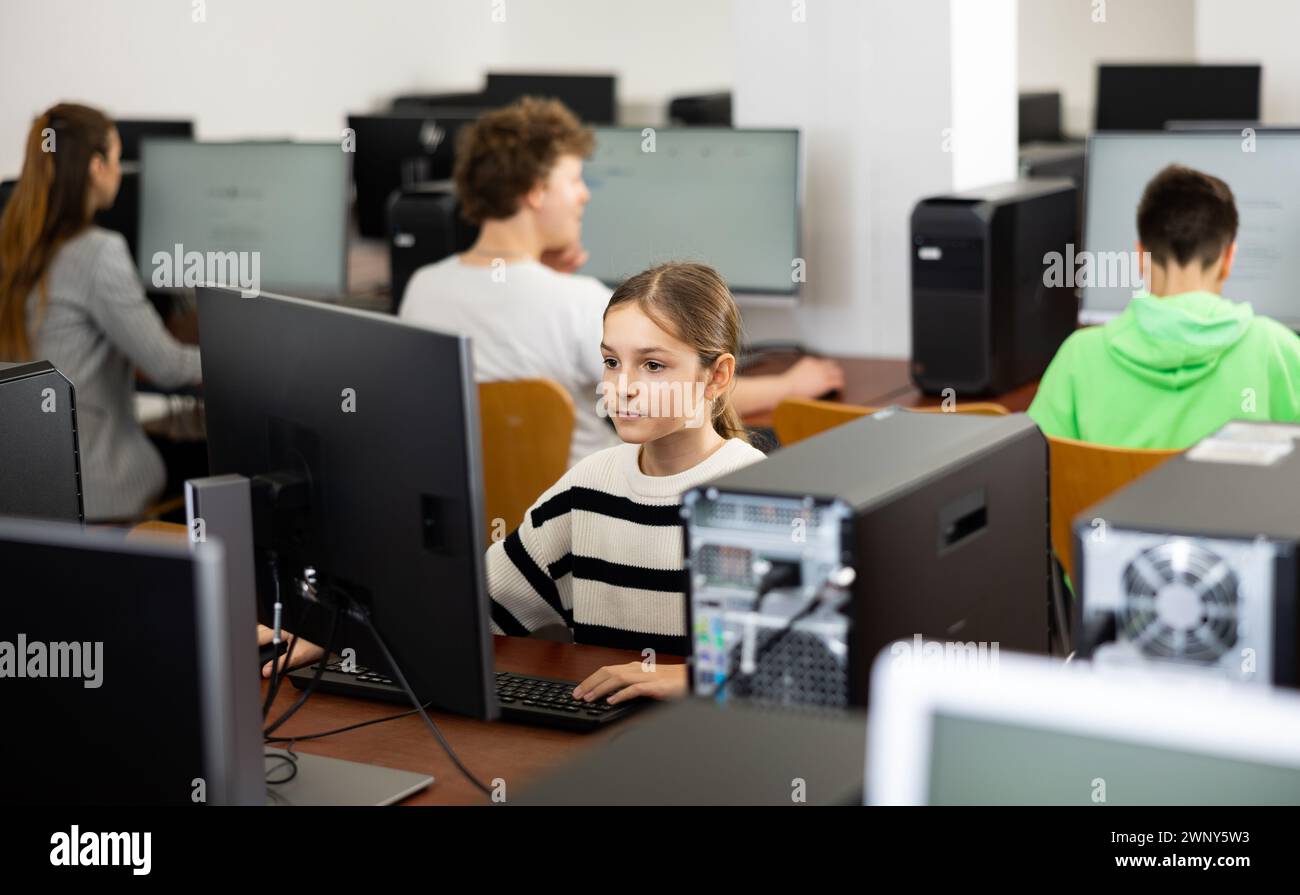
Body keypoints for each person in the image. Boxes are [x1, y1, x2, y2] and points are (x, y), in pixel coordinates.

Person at [398, 97, 842, 467]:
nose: (584, 195)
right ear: (536, 190)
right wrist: (791, 387)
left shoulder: (423, 288)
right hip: (592, 514)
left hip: (489, 528)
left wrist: (549, 277)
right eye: (574, 180)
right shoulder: (577, 303)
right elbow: (680, 402)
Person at [0, 103, 201, 521]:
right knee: (216, 466)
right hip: (97, 491)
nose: (119, 171)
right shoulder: (98, 252)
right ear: (94, 166)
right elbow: (167, 366)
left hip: (27, 488)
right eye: (115, 157)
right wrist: (248, 362)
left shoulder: (13, 243)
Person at [1029, 164, 1300, 448]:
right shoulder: (1276, 351)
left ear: (1140, 255)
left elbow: (1032, 474)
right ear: (1229, 257)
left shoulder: (1078, 359)